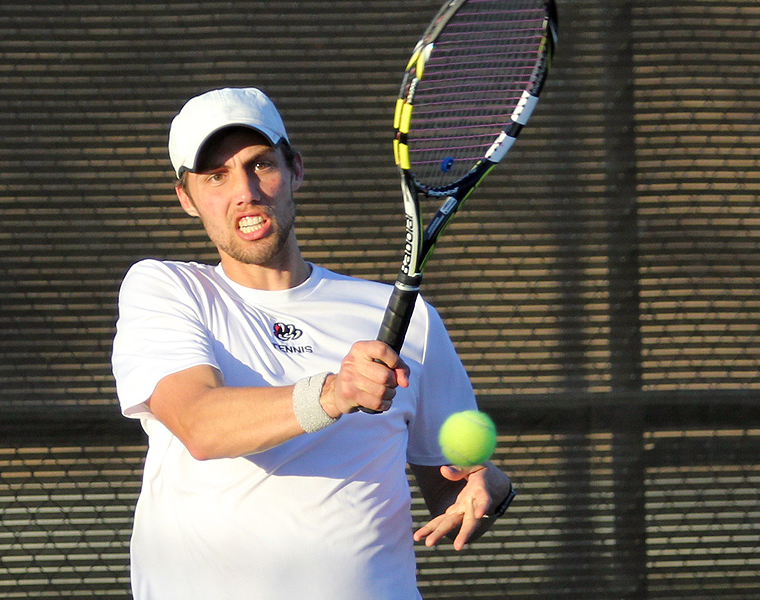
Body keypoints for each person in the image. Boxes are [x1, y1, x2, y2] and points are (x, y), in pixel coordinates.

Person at [111, 87, 514, 600]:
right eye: (216, 176)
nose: (245, 191)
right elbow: (199, 425)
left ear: (295, 170)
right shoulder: (167, 289)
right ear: (186, 199)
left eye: (260, 165)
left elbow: (450, 491)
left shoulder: (411, 321)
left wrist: (489, 490)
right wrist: (332, 394)